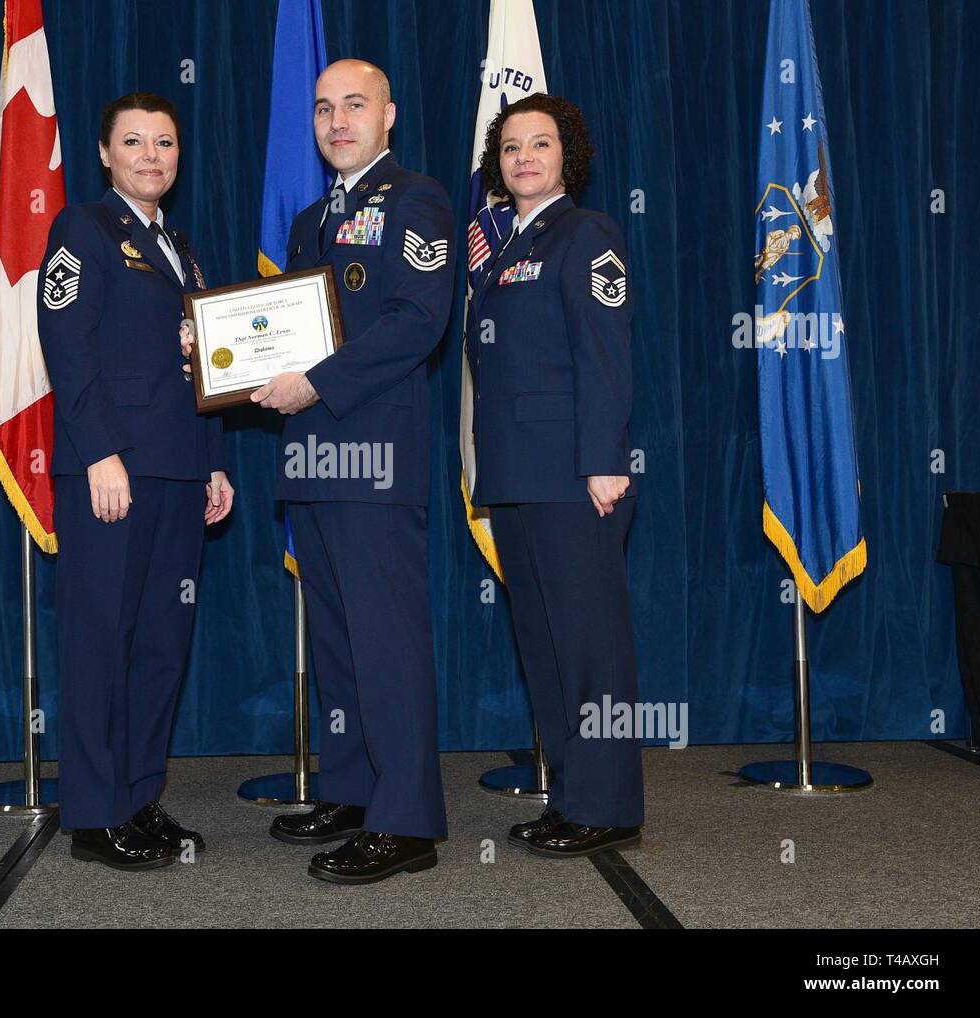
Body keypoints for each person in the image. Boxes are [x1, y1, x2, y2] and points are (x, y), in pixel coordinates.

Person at [184, 59, 455, 884]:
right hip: (313, 459)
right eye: (324, 107)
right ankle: (351, 787)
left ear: (389, 113)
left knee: (387, 642)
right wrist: (220, 358)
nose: (338, 121)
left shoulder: (418, 200)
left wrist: (316, 382)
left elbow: (418, 321)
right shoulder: (308, 222)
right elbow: (281, 335)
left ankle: (406, 822)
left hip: (375, 462)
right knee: (337, 642)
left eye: (355, 105)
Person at [38, 92, 233, 872]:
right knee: (99, 640)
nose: (152, 156)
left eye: (165, 143)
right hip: (111, 474)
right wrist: (96, 454)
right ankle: (93, 811)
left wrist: (214, 455)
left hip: (180, 470)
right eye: (135, 142)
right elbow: (66, 343)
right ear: (104, 153)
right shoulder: (82, 230)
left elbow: (206, 363)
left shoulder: (182, 248)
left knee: (161, 643)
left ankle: (137, 796)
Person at [465, 92, 643, 857]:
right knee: (542, 645)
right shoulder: (502, 247)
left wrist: (604, 461)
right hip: (515, 475)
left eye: (540, 144)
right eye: (511, 148)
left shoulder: (587, 235)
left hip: (576, 478)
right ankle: (570, 796)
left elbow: (607, 356)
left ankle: (608, 804)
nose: (525, 158)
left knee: (590, 646)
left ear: (568, 155)